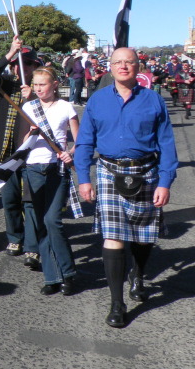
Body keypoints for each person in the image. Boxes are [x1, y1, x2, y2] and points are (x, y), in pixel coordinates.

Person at [75, 46, 178, 329]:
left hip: (146, 172)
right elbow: (84, 141)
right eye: (118, 62)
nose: (123, 66)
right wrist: (84, 178)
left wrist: (165, 181)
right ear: (110, 67)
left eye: (129, 62)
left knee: (143, 238)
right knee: (113, 236)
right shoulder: (97, 100)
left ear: (137, 67)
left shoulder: (153, 100)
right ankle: (117, 303)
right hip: (109, 172)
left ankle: (138, 274)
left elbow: (166, 143)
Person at [21, 67, 80, 295]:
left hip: (56, 169)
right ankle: (51, 276)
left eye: (42, 84)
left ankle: (68, 273)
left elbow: (80, 140)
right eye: (35, 85)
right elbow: (22, 142)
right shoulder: (28, 107)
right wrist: (31, 134)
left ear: (54, 85)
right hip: (33, 168)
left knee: (53, 220)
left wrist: (70, 153)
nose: (38, 89)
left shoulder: (66, 107)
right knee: (40, 223)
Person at [0, 38, 41, 264]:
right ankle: (14, 238)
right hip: (7, 152)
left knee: (30, 201)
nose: (22, 67)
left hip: (32, 152)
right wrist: (10, 53)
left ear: (35, 66)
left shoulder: (41, 86)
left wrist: (34, 97)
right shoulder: (7, 83)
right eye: (17, 63)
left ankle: (32, 245)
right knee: (9, 199)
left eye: (27, 63)